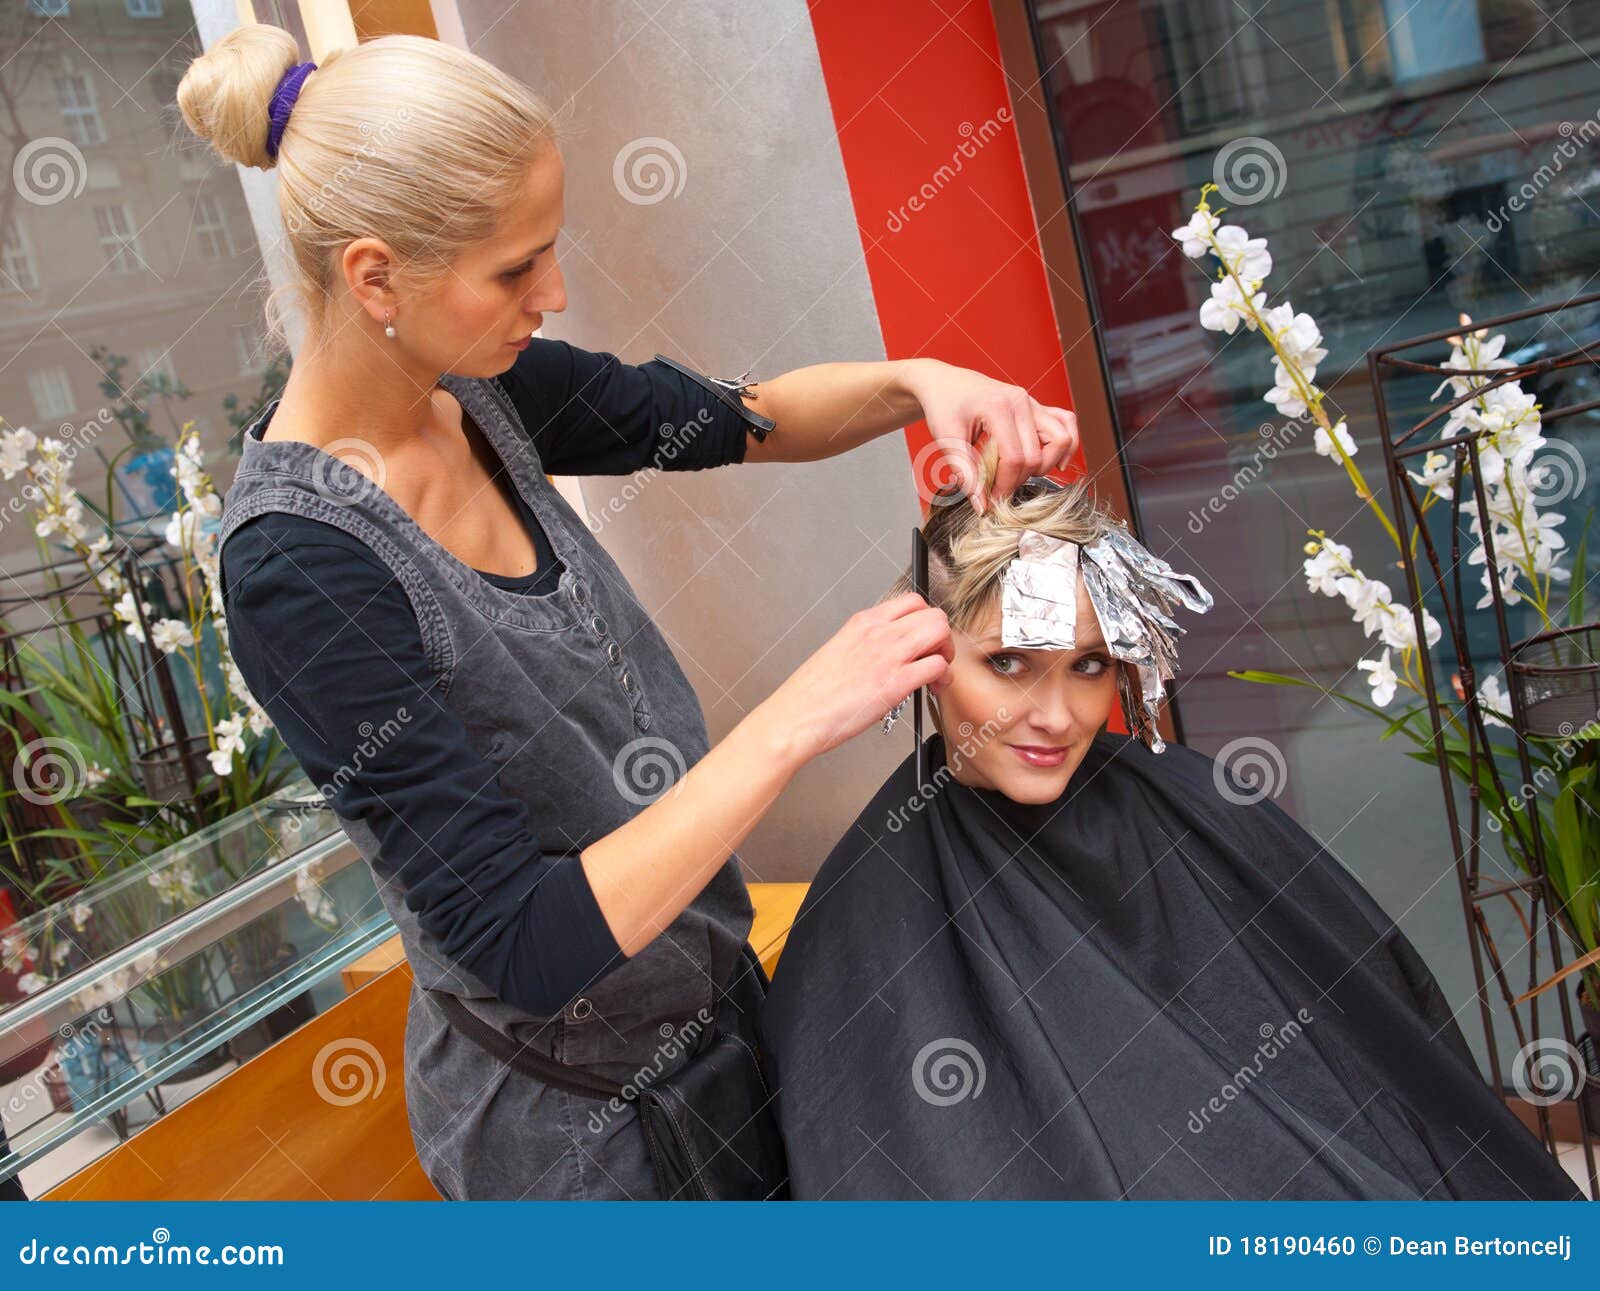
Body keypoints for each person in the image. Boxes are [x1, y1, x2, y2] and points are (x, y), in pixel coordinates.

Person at [176, 27, 1078, 1201]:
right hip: (568, 1142)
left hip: (717, 1030)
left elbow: (742, 417)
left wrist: (920, 382)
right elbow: (526, 943)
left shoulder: (480, 391)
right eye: (515, 270)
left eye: (549, 254)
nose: (550, 298)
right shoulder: (299, 568)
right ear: (373, 276)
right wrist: (795, 718)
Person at [759, 461, 1584, 1201]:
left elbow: (1378, 1073)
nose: (1055, 716)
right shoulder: (872, 902)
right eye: (1008, 662)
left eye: (1088, 664)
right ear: (928, 653)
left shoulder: (1198, 807)